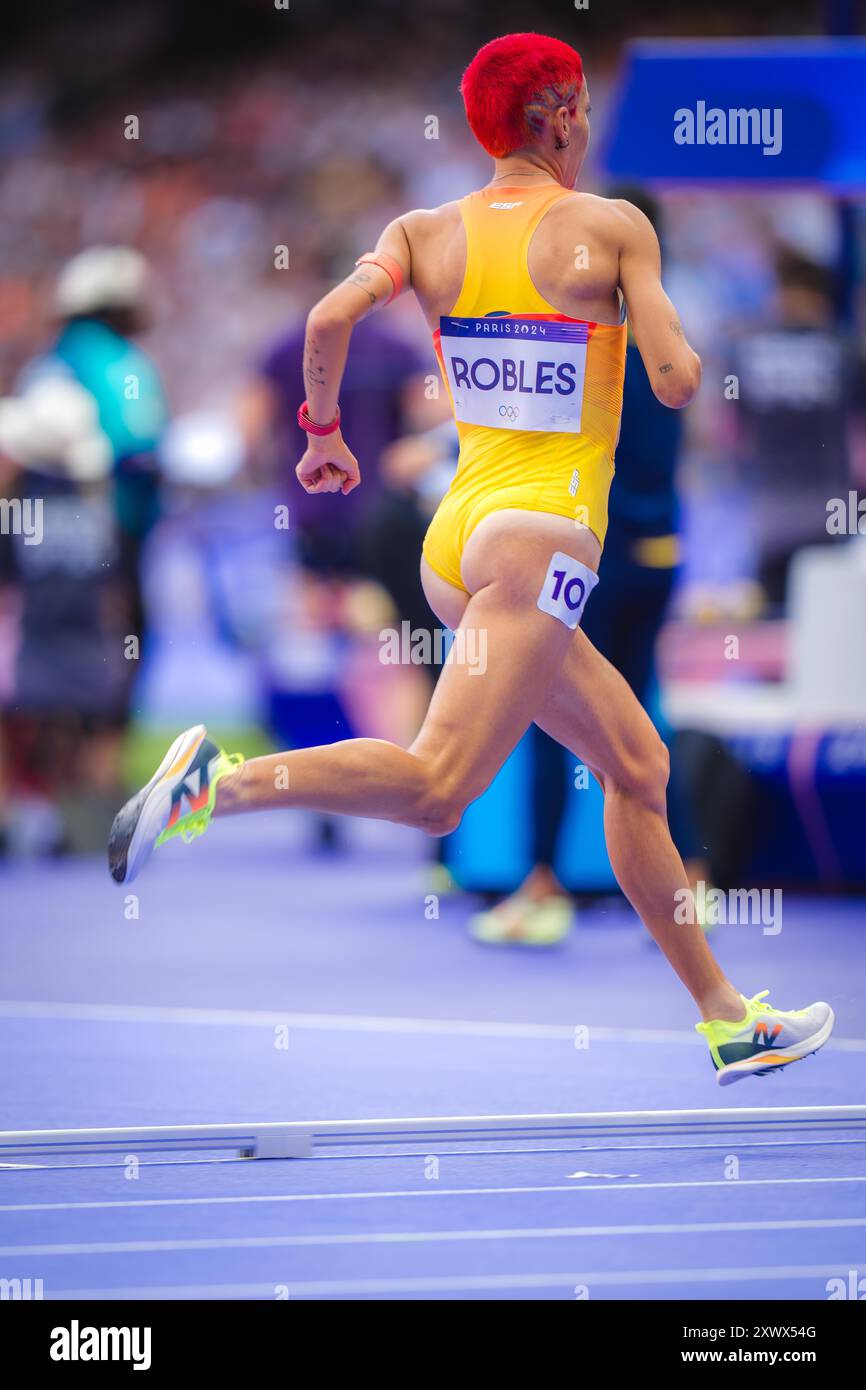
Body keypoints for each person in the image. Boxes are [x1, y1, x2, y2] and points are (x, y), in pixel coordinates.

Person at [108, 33, 833, 1086]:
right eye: (577, 106)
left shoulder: (424, 231)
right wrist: (648, 323)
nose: (585, 123)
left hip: (461, 541)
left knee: (637, 765)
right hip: (537, 542)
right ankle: (218, 782)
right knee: (442, 787)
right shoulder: (612, 225)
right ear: (551, 114)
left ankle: (723, 1015)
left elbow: (326, 315)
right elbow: (677, 382)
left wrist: (320, 433)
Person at [468, 187, 707, 946]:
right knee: (637, 717)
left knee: (545, 715)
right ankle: (691, 880)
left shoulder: (587, 333)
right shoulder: (668, 332)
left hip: (591, 557)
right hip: (658, 550)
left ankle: (541, 889)